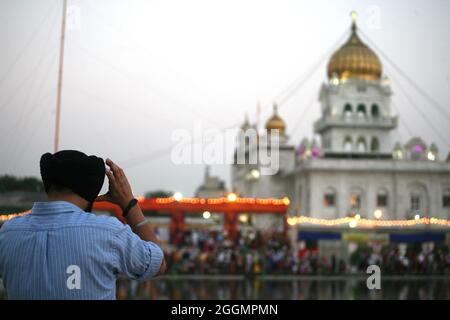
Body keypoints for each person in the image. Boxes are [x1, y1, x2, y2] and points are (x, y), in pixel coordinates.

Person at [0, 150, 166, 299]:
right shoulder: (107, 232)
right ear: (91, 191)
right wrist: (129, 203)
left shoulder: (8, 233)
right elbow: (158, 265)